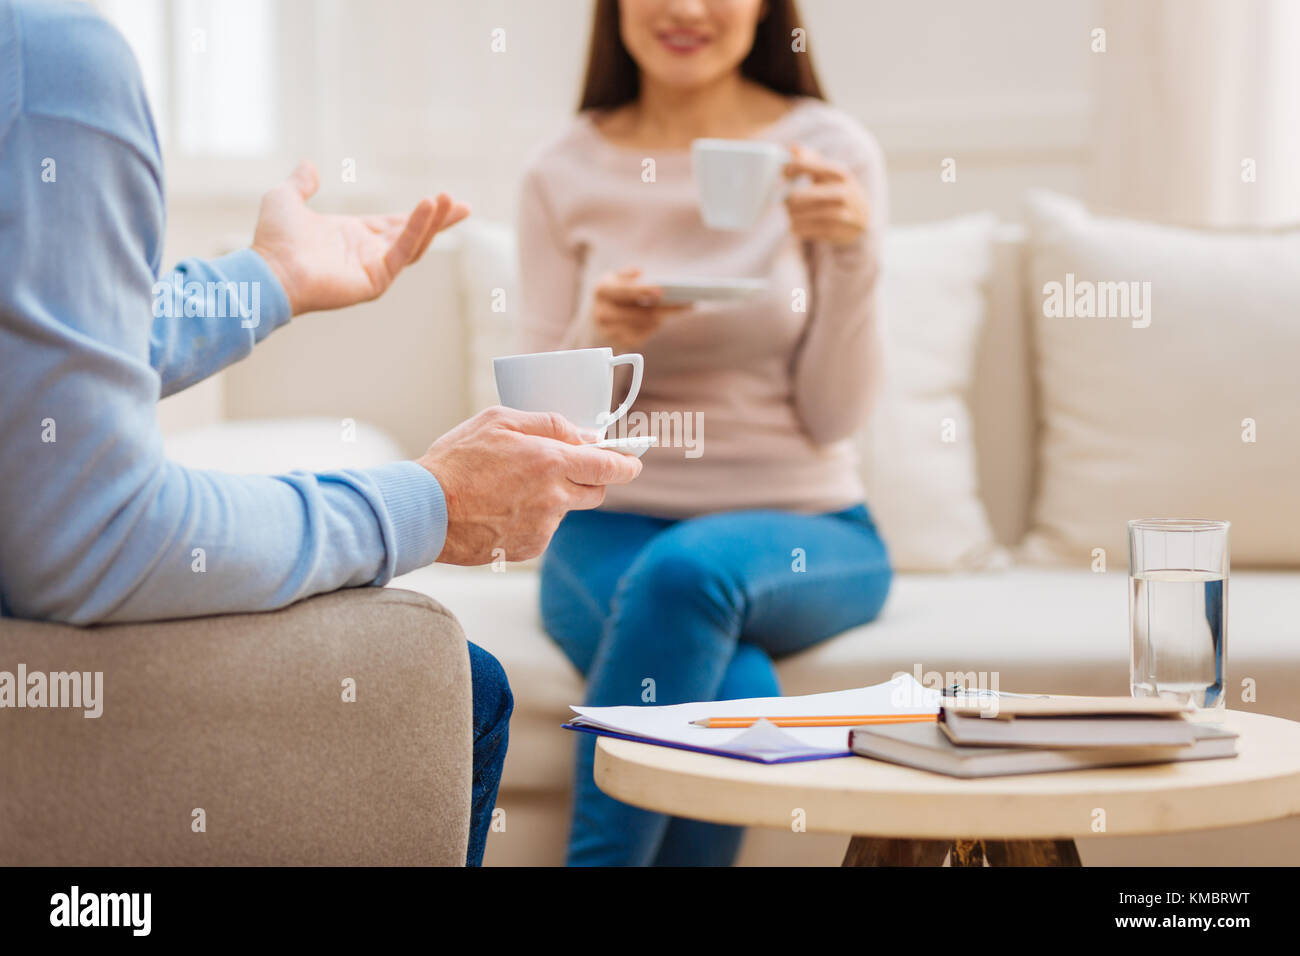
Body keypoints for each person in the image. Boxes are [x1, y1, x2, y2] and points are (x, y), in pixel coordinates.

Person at [0, 0, 641, 866]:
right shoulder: (48, 55)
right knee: (467, 684)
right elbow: (91, 534)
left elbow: (39, 348)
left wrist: (265, 281)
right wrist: (431, 504)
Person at [518, 0, 892, 865]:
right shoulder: (561, 169)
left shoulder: (830, 152)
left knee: (688, 572)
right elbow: (536, 423)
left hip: (810, 528)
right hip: (610, 524)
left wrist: (854, 252)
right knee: (737, 690)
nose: (687, 9)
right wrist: (597, 338)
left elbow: (836, 417)